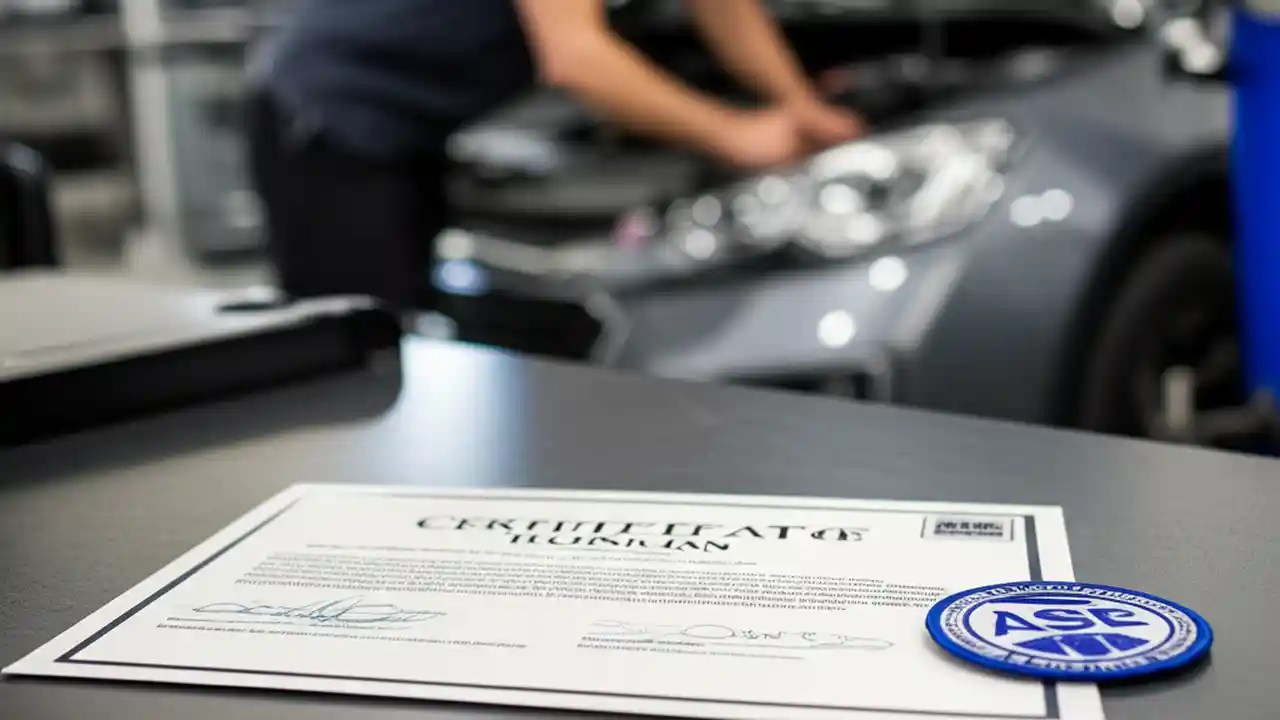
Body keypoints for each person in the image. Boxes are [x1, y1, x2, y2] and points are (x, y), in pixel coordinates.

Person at [249, 0, 866, 308]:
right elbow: (576, 56)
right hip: (336, 107)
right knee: (367, 341)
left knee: (413, 314)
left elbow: (724, 6)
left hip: (415, 120)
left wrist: (798, 103)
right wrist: (737, 134)